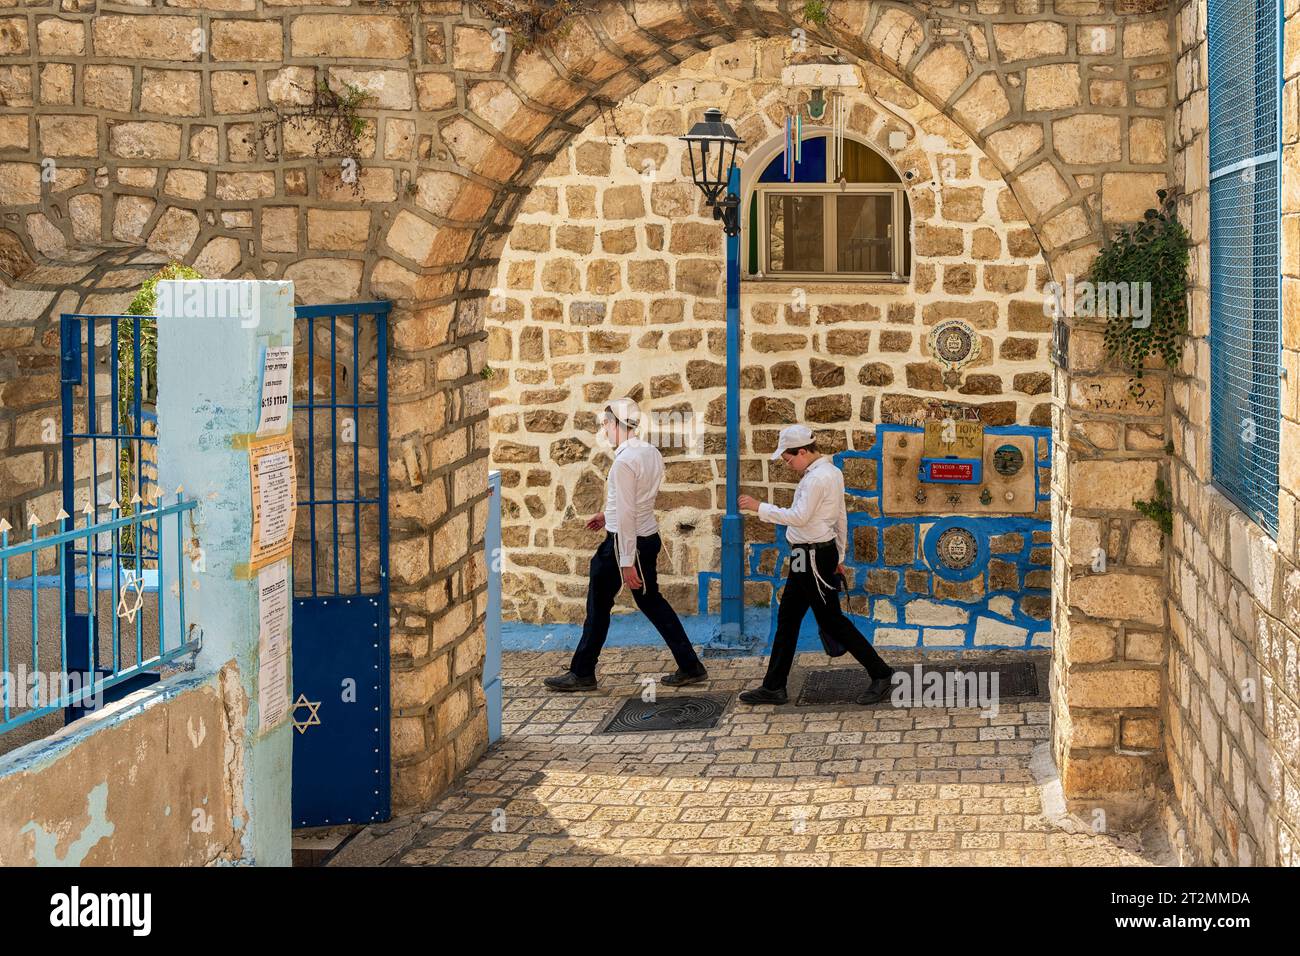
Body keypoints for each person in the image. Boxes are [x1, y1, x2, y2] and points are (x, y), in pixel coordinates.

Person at [544, 398, 709, 691]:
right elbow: (636, 500)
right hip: (644, 537)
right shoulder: (650, 452)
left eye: (606, 423)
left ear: (618, 424)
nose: (605, 429)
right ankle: (689, 665)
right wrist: (605, 515)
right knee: (651, 603)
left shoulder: (623, 462)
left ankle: (582, 673)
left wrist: (626, 561)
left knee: (599, 606)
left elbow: (628, 512)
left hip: (623, 544)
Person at [736, 424, 894, 706]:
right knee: (788, 618)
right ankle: (774, 686)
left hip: (812, 558)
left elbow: (799, 517)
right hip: (808, 556)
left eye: (788, 459)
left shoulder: (816, 479)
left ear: (804, 451)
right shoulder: (830, 473)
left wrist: (759, 506)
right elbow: (840, 517)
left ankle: (881, 673)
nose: (788, 465)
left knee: (831, 620)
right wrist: (840, 556)